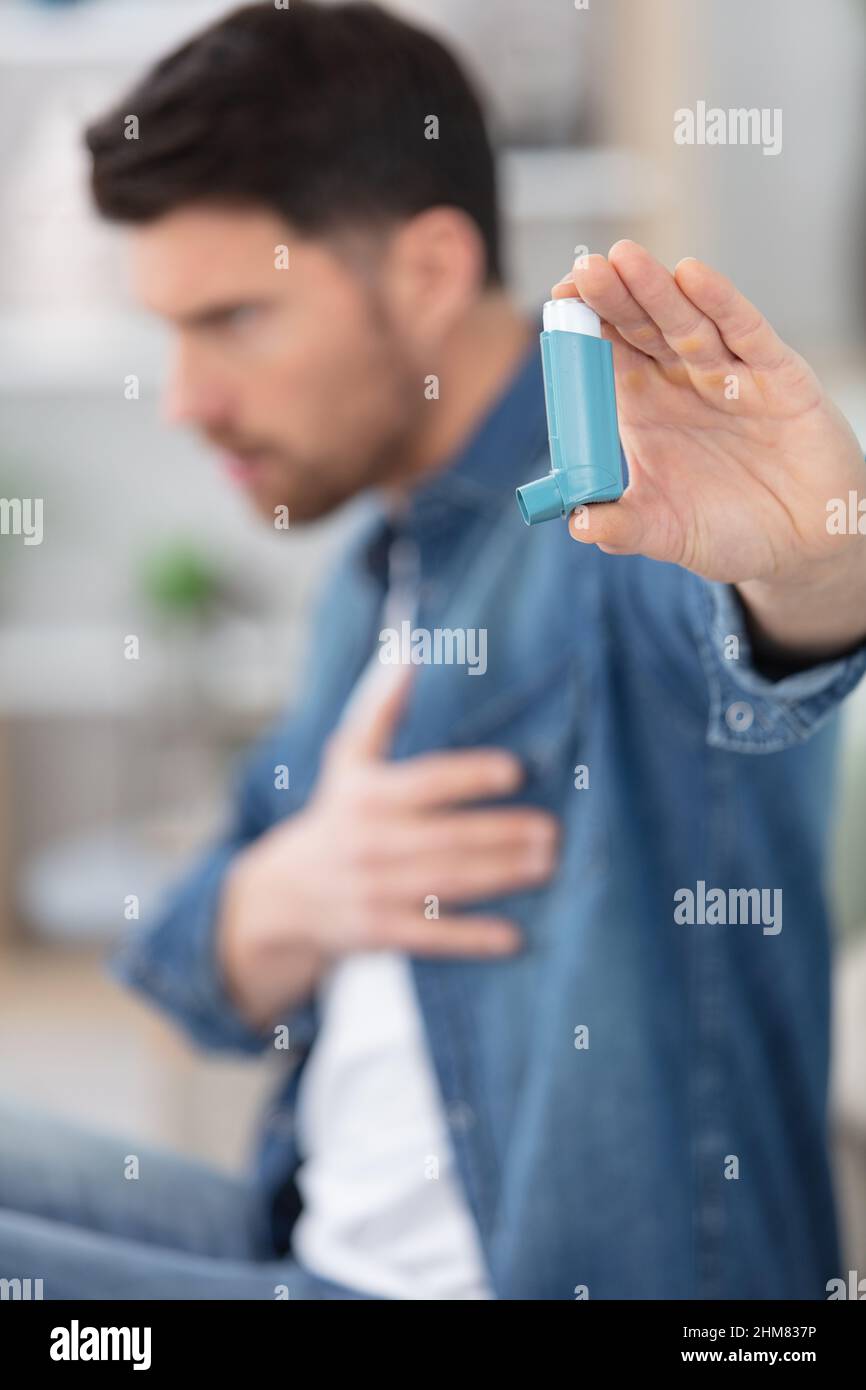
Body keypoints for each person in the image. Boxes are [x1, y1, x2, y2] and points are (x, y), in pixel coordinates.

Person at [2, 0, 866, 1300]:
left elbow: (769, 631)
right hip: (294, 1243)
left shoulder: (618, 508)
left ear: (423, 273)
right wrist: (287, 894)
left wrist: (820, 558)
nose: (184, 399)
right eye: (170, 333)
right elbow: (187, 962)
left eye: (231, 319)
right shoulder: (377, 572)